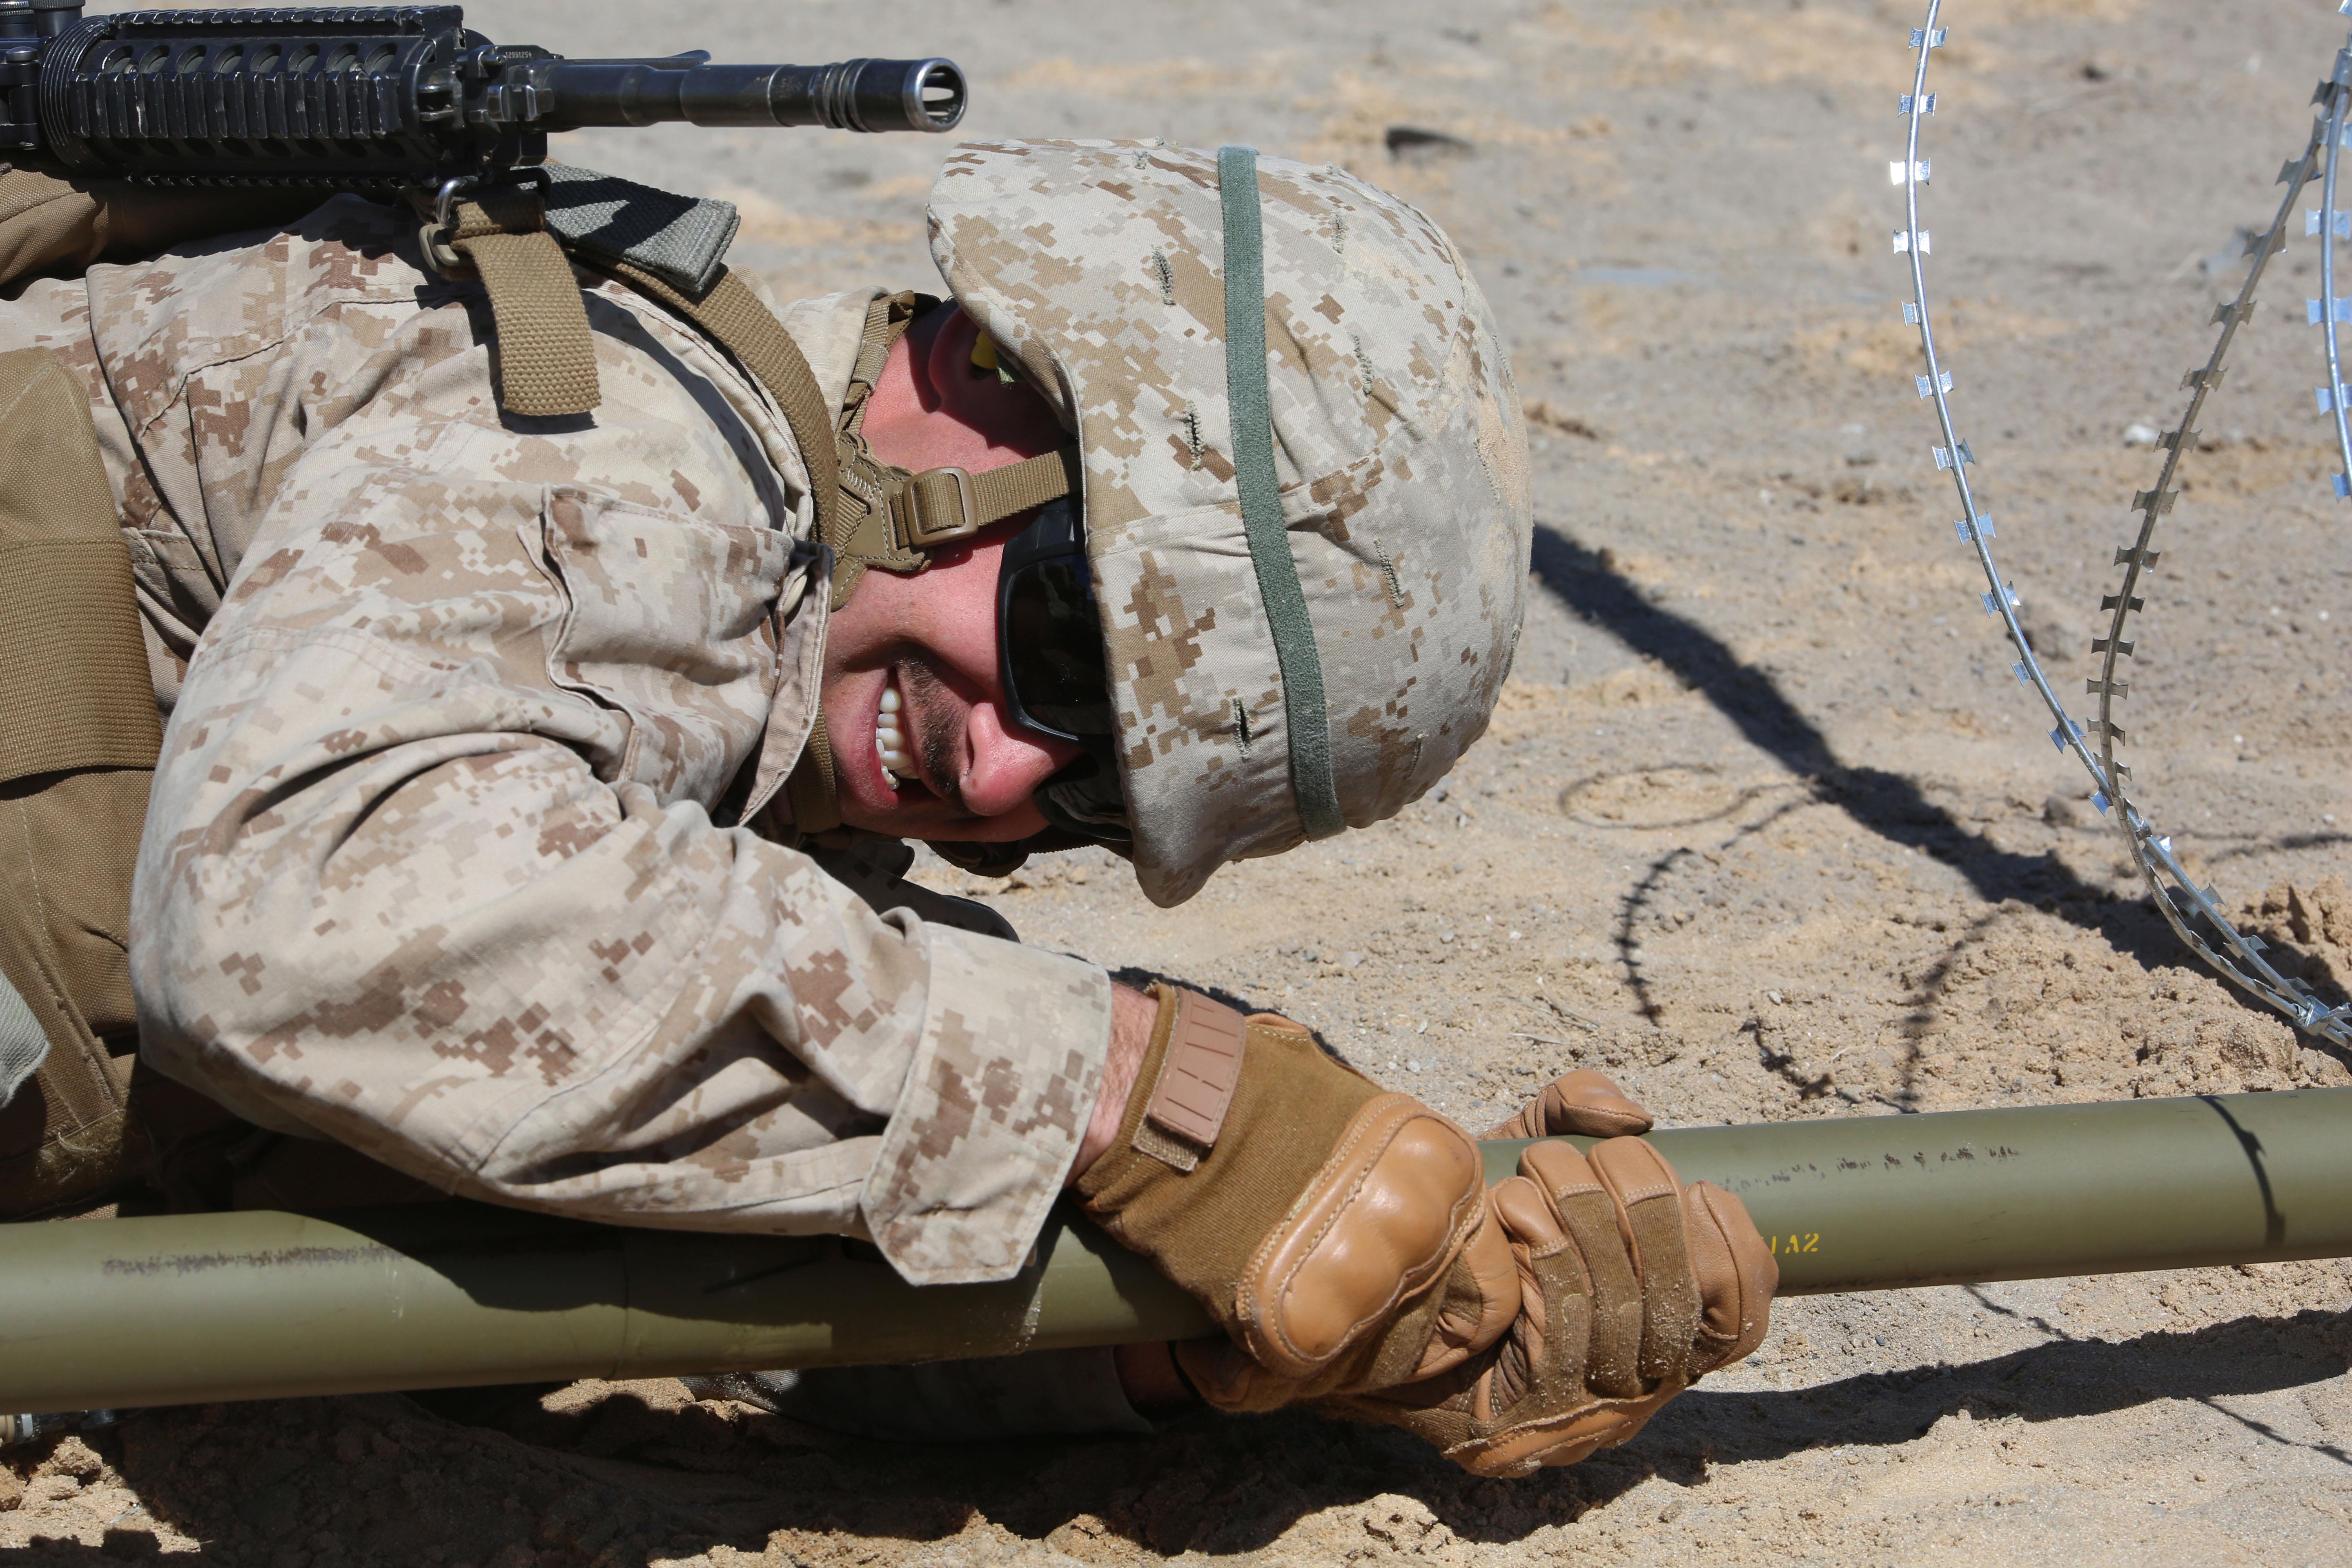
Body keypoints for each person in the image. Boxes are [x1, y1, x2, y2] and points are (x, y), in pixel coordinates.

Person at [0, 138, 1773, 1474]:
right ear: (977, 373)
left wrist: (1264, 1335)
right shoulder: (626, 442)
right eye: (1070, 649)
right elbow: (302, 916)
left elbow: (748, 1295)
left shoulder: (758, 766)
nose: (1002, 771)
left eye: (1092, 795)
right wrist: (1129, 1093)